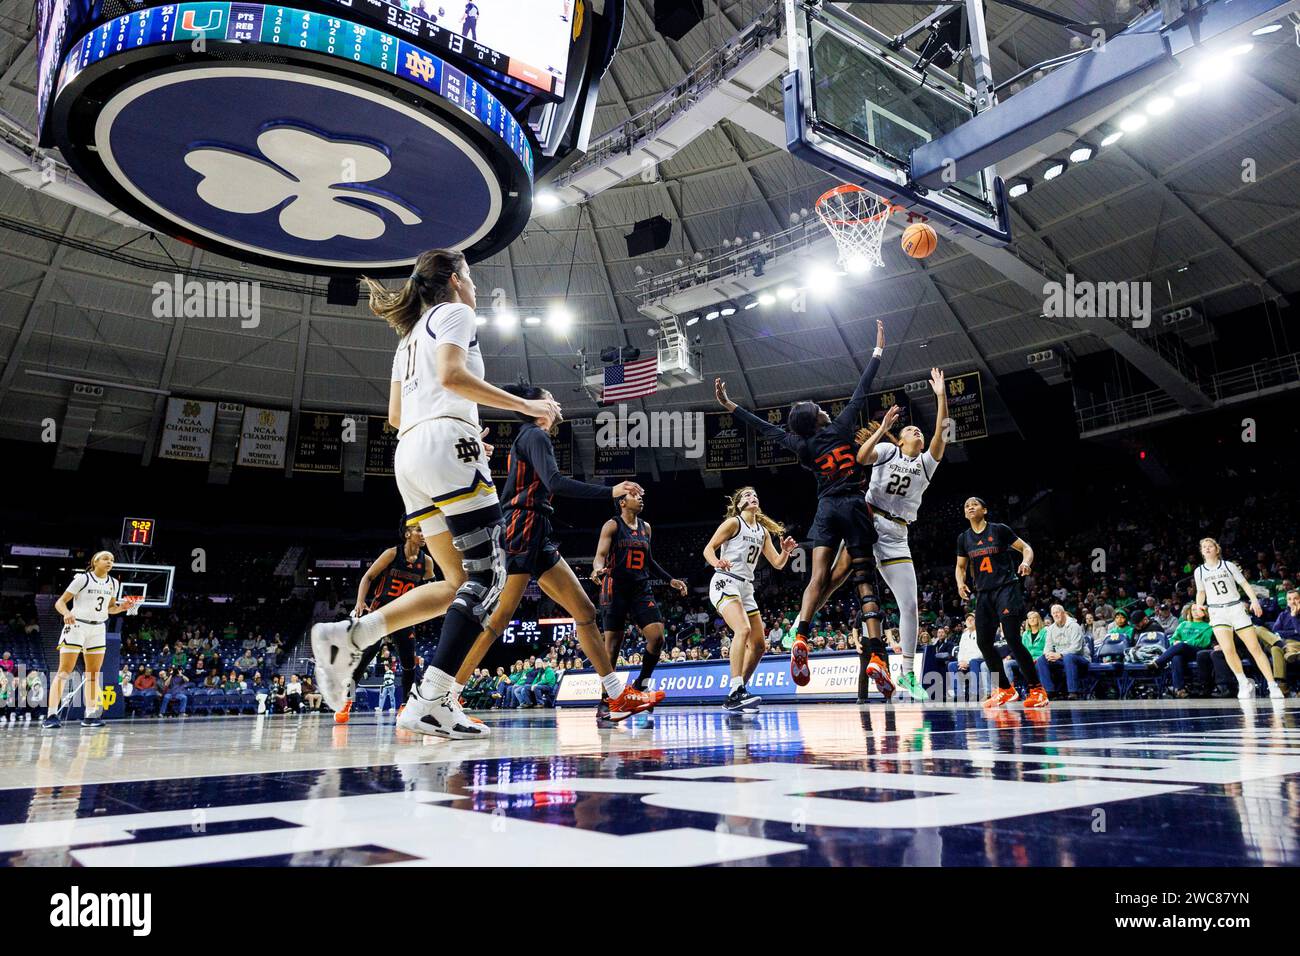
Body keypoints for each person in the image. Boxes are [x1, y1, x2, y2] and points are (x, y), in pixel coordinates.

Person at [312, 249, 561, 739]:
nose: (473, 286)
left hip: (411, 454)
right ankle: (430, 699)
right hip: (444, 446)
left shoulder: (406, 340)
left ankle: (353, 635)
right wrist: (526, 407)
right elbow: (451, 376)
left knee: (454, 583)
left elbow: (397, 416)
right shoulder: (456, 312)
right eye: (470, 276)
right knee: (492, 573)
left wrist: (460, 431)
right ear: (454, 279)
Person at [448, 381, 661, 722]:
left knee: (585, 612)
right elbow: (556, 483)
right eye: (550, 396)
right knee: (499, 619)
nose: (556, 401)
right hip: (522, 527)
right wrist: (612, 491)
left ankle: (617, 695)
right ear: (535, 407)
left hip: (538, 530)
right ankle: (449, 695)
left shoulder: (533, 438)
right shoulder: (534, 435)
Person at [715, 319, 892, 697]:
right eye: (819, 409)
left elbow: (765, 429)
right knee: (864, 580)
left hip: (826, 509)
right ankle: (876, 653)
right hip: (854, 506)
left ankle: (802, 635)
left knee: (817, 579)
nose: (825, 409)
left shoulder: (804, 446)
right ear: (819, 418)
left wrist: (732, 406)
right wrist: (877, 351)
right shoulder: (841, 427)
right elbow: (862, 391)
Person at [807, 367, 951, 702]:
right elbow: (860, 457)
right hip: (867, 520)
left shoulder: (927, 464)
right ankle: (804, 628)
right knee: (833, 578)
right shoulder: (888, 452)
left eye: (919, 430)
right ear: (901, 440)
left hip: (897, 534)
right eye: (911, 429)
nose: (917, 431)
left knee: (910, 605)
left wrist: (941, 397)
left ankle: (909, 674)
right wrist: (883, 430)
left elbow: (941, 435)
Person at [702, 486, 797, 711]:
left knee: (759, 645)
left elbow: (777, 564)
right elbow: (708, 549)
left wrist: (785, 552)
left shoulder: (762, 531)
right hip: (725, 580)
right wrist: (717, 562)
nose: (752, 496)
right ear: (739, 504)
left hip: (746, 588)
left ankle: (737, 694)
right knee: (742, 630)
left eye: (754, 494)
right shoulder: (733, 523)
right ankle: (736, 689)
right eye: (746, 495)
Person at [334, 521, 437, 725]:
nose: (424, 534)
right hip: (380, 613)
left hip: (405, 616)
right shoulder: (392, 553)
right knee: (362, 661)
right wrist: (360, 601)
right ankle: (345, 701)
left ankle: (405, 707)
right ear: (407, 534)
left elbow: (432, 588)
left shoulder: (427, 563)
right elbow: (368, 576)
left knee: (409, 665)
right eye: (419, 530)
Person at [592, 489, 687, 704]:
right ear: (622, 503)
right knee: (613, 646)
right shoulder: (613, 525)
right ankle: (606, 700)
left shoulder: (646, 528)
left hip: (640, 588)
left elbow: (649, 561)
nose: (640, 498)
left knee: (657, 637)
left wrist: (669, 579)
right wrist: (597, 569)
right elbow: (600, 556)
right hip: (614, 587)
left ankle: (640, 685)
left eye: (641, 495)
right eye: (635, 495)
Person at [954, 498, 1048, 709]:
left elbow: (1026, 548)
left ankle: (1037, 689)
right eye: (966, 505)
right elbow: (960, 567)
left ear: (984, 510)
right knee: (984, 643)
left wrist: (1025, 562)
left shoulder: (999, 530)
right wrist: (960, 583)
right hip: (983, 593)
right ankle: (1005, 689)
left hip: (1006, 588)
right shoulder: (963, 538)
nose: (969, 507)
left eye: (974, 504)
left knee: (1013, 638)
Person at [45, 551, 140, 729]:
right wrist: (66, 613)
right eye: (105, 558)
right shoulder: (83, 579)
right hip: (76, 626)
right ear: (95, 561)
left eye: (112, 560)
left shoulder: (114, 583)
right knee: (64, 671)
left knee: (93, 674)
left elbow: (109, 609)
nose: (109, 562)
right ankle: (51, 714)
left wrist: (121, 608)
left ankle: (90, 715)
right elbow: (60, 602)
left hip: (98, 628)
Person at [1194, 538, 1282, 699]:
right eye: (1204, 547)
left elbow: (1245, 584)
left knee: (1254, 648)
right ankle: (1243, 682)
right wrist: (1199, 605)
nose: (1206, 549)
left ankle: (1272, 685)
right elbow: (1201, 592)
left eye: (1210, 546)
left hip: (1235, 608)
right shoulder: (1199, 571)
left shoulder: (1229, 565)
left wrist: (1255, 601)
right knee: (1227, 649)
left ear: (1216, 549)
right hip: (1217, 611)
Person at [1146, 605, 1215, 698]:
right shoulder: (1183, 624)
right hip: (1181, 650)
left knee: (1181, 646)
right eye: (1193, 610)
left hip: (1198, 651)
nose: (1195, 612)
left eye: (1198, 610)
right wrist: (1175, 642)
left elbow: (1204, 642)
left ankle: (1158, 663)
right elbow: (1173, 639)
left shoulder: (1208, 626)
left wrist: (1185, 643)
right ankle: (1180, 689)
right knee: (1176, 657)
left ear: (1204, 612)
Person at [1037, 604, 1090, 699]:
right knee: (1042, 659)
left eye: (1057, 612)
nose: (1056, 615)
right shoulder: (1051, 629)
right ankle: (1049, 691)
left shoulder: (1074, 626)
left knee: (1069, 657)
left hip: (1080, 657)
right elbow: (1047, 647)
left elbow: (1076, 648)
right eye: (1053, 613)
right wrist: (1048, 655)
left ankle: (1073, 692)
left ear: (1063, 613)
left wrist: (1060, 655)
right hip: (1061, 658)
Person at [948, 614, 985, 702]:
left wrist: (967, 662)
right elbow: (961, 651)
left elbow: (980, 652)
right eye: (968, 619)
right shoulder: (964, 635)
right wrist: (961, 662)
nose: (969, 621)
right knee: (951, 665)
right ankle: (959, 694)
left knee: (973, 662)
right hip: (965, 662)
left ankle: (974, 693)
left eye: (972, 619)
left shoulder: (981, 633)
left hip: (979, 660)